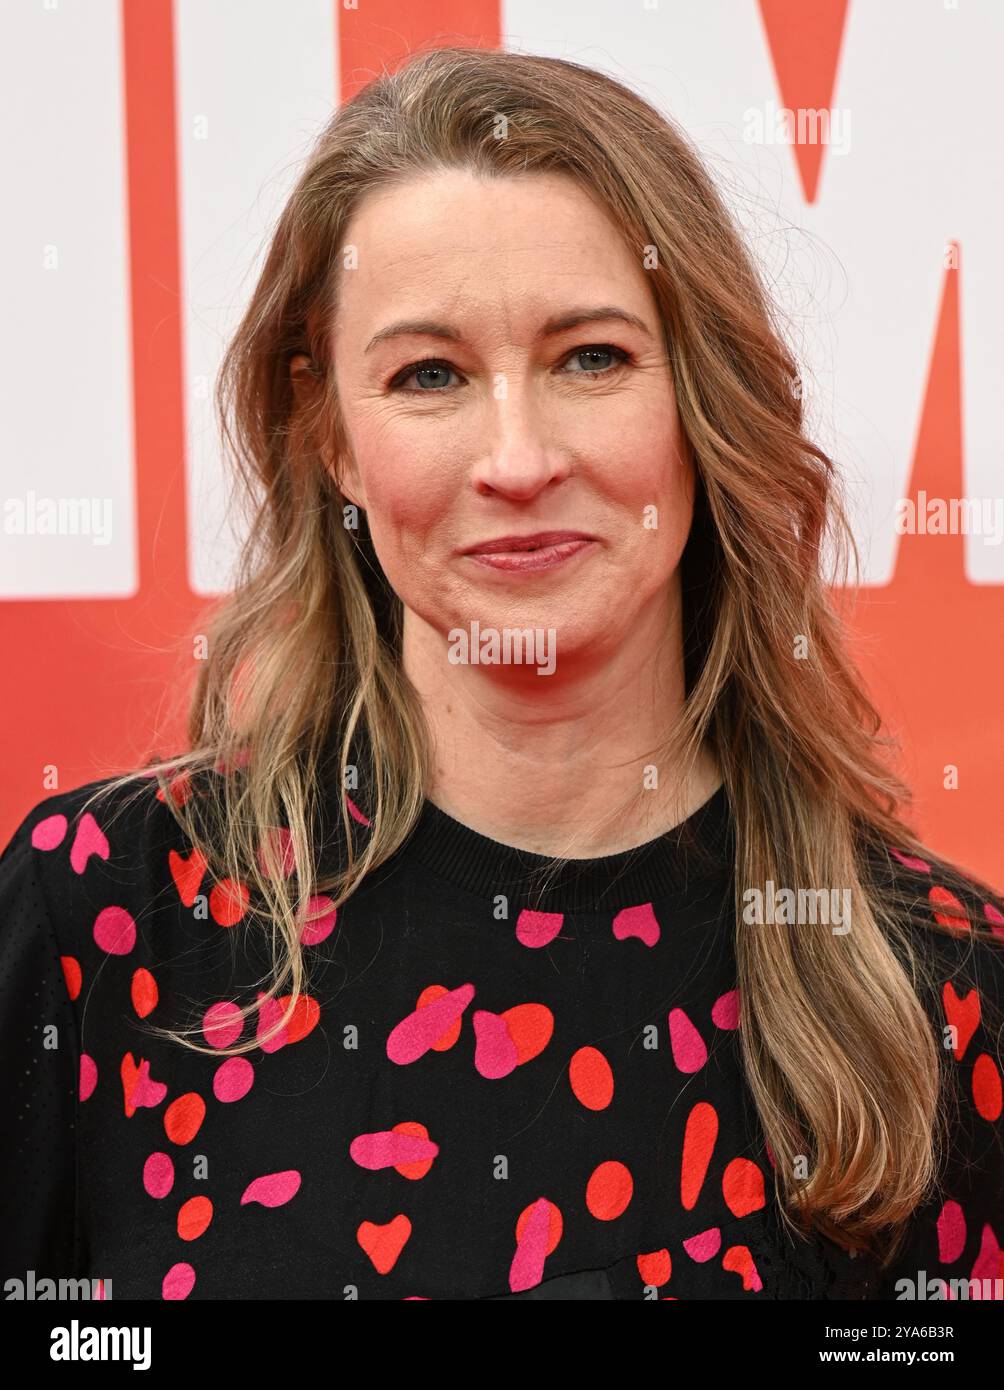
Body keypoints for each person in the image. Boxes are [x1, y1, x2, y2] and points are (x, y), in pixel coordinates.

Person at [1, 45, 1001, 1302]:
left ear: (701, 403)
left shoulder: (938, 984)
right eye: (429, 376)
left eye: (590, 357)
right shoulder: (105, 917)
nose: (517, 460)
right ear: (334, 443)